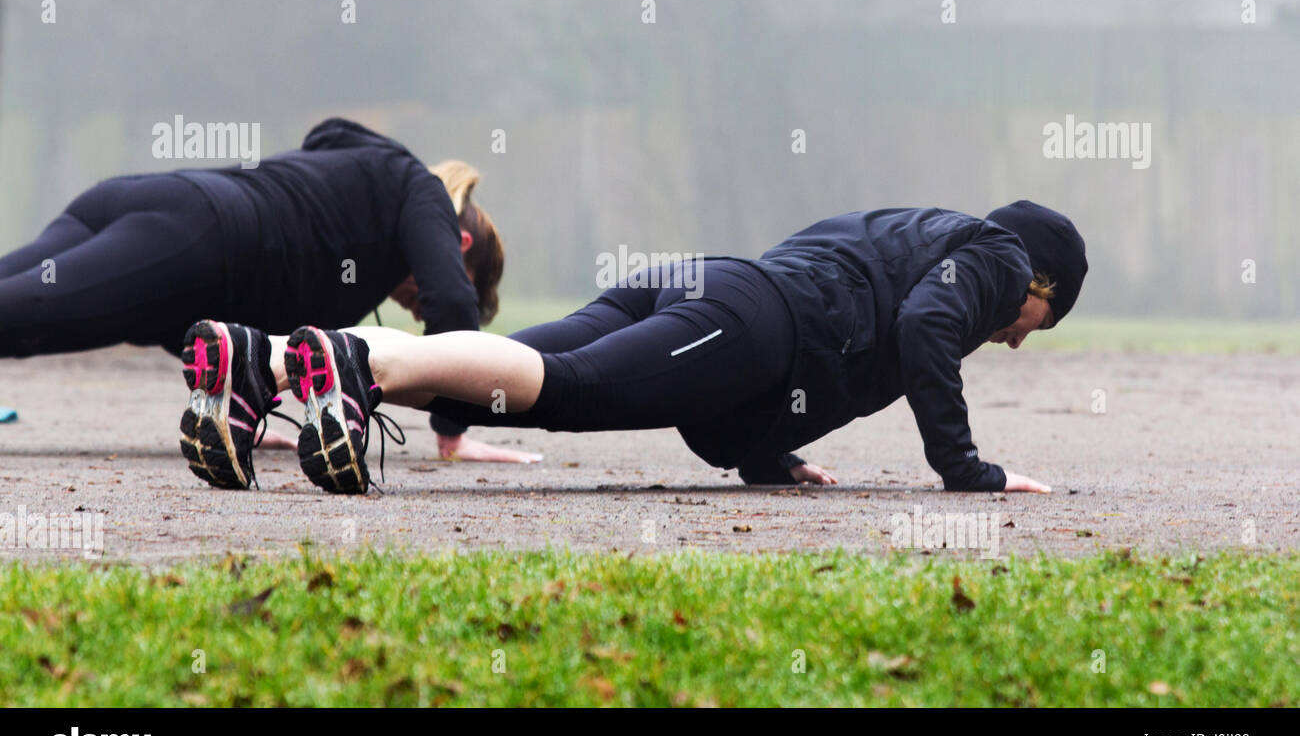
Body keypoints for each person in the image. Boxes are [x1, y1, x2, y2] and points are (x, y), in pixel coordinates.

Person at [182, 201, 1087, 494]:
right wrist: (968, 469)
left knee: (499, 370)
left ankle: (263, 361)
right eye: (1041, 322)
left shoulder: (914, 227)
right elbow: (924, 325)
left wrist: (768, 453)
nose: (1016, 340)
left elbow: (848, 307)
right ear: (1044, 287)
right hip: (745, 317)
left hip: (706, 286)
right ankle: (356, 364)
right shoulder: (1004, 259)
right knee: (567, 388)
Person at [0, 117, 533, 487]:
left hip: (138, 202)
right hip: (191, 235)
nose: (416, 311)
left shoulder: (365, 186)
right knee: (18, 318)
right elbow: (452, 310)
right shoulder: (420, 190)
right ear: (458, 244)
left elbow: (234, 324)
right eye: (459, 277)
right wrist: (453, 433)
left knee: (20, 316)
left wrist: (245, 403)